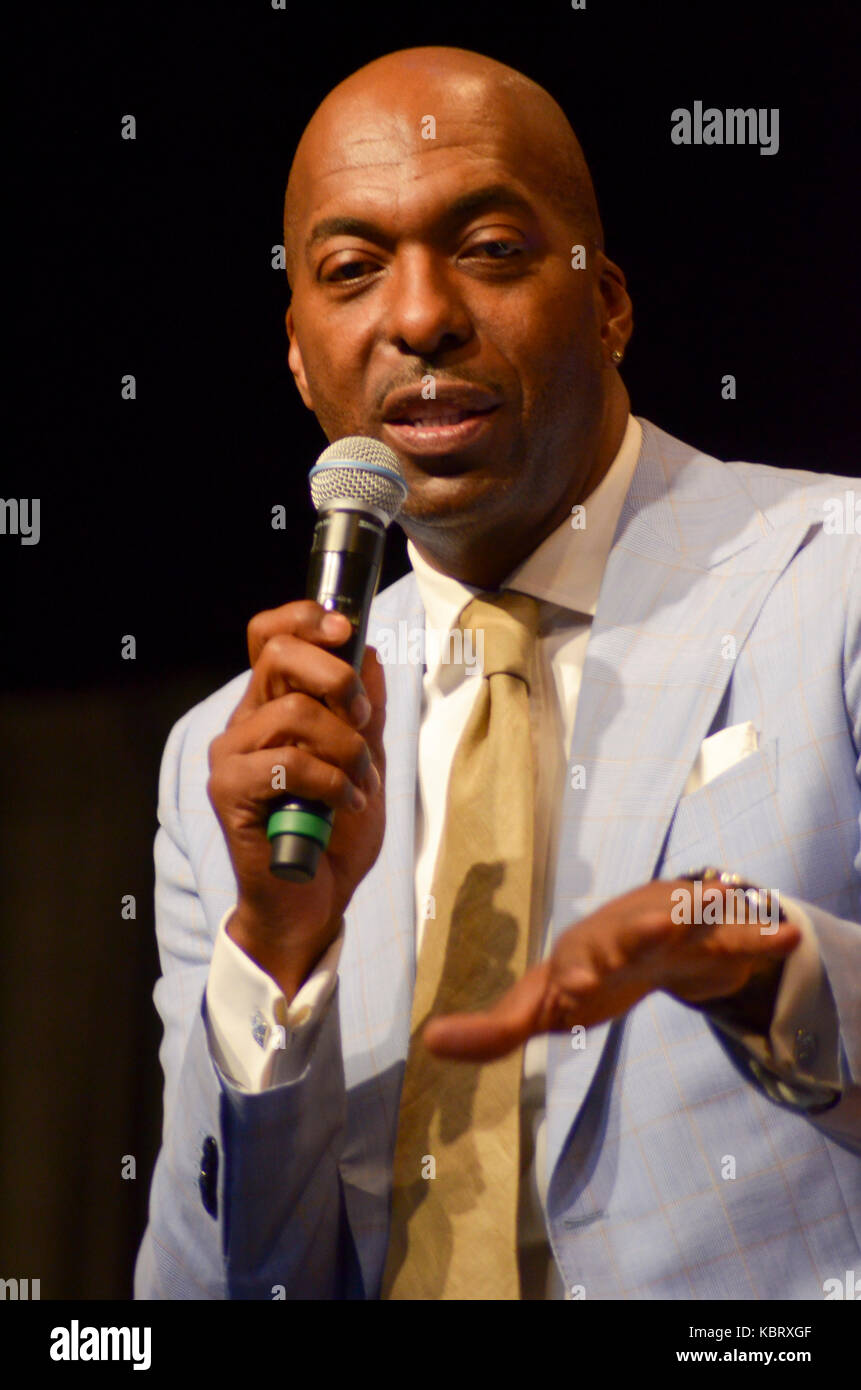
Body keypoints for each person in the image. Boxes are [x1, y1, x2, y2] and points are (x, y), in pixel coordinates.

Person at [134, 45, 860, 1300]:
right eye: (353, 271)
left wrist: (776, 967)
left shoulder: (832, 580)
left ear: (611, 302)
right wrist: (274, 952)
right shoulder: (249, 770)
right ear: (302, 358)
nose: (419, 317)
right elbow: (218, 1289)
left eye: (490, 248)